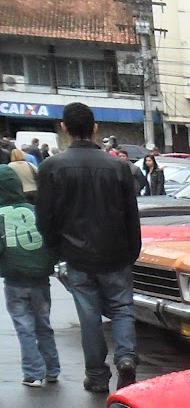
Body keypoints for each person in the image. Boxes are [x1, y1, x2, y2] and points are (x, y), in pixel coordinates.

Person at [34, 102, 142, 392]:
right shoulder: (119, 166)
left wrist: (56, 248)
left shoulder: (51, 167)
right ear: (95, 128)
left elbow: (44, 217)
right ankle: (126, 359)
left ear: (64, 128)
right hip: (117, 252)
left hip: (77, 255)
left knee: (89, 317)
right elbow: (131, 215)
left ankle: (97, 376)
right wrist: (133, 251)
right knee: (122, 308)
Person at [1, 164, 61, 388]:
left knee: (24, 326)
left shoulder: (1, 214)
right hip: (40, 279)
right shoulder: (35, 210)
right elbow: (53, 242)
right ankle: (53, 368)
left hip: (15, 280)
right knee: (43, 324)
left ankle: (33, 372)